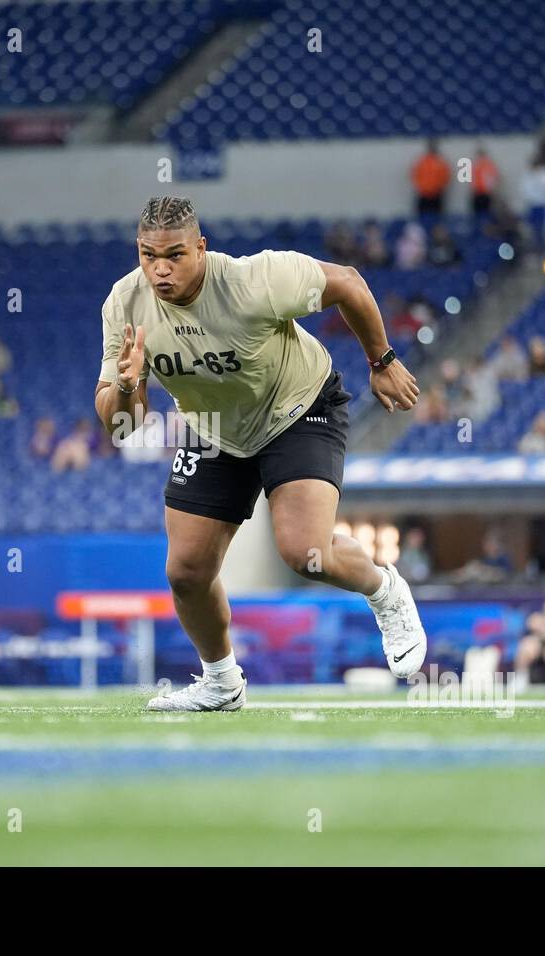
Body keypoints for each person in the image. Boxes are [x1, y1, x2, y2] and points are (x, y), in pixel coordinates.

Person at [95, 197, 425, 711]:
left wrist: (381, 360)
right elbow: (122, 424)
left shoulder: (256, 280)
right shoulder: (125, 304)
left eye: (175, 255)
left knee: (304, 553)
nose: (160, 269)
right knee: (185, 572)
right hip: (214, 431)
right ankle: (222, 684)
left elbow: (349, 283)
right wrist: (127, 382)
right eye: (148, 255)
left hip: (297, 409)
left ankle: (385, 591)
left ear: (201, 249)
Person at [410, 139, 450, 216]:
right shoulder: (422, 162)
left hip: (436, 194)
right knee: (421, 217)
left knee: (437, 217)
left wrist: (437, 188)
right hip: (424, 194)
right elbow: (415, 176)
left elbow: (445, 177)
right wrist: (422, 188)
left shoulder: (440, 162)